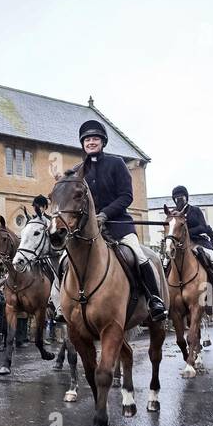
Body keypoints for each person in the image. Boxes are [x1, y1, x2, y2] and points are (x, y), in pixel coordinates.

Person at [76, 121, 166, 322]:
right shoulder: (78, 170)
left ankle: (154, 299)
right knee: (66, 258)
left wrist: (105, 214)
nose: (91, 142)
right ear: (83, 144)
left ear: (103, 142)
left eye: (95, 139)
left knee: (138, 254)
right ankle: (59, 303)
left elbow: (126, 196)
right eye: (87, 140)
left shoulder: (116, 164)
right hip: (88, 229)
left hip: (118, 225)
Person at [170, 185, 213, 295]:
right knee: (167, 260)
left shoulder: (195, 210)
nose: (179, 200)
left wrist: (187, 233)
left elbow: (203, 227)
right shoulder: (173, 213)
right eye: (176, 198)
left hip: (198, 241)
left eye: (181, 197)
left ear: (186, 198)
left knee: (210, 256)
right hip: (179, 244)